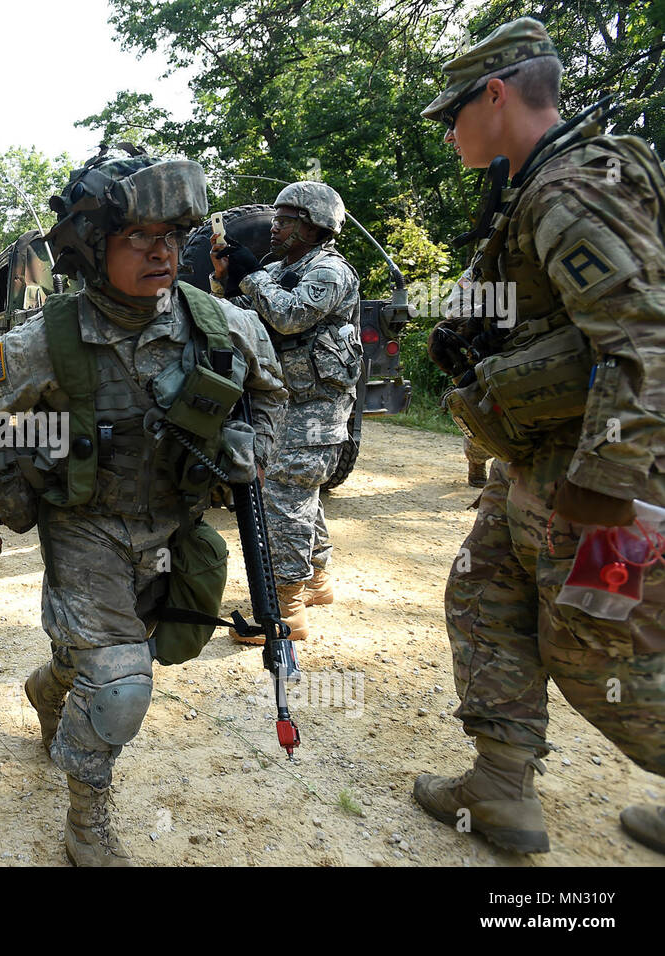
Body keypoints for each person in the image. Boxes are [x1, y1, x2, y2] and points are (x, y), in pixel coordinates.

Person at [0, 150, 286, 866]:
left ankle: (49, 688)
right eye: (139, 238)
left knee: (110, 657)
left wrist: (252, 445)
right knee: (123, 683)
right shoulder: (43, 343)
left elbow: (274, 397)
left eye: (173, 237)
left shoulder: (220, 327)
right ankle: (87, 819)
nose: (162, 252)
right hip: (85, 529)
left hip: (171, 528)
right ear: (92, 248)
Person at [416, 17, 665, 855]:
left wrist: (608, 485)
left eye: (455, 110)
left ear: (496, 94)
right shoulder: (534, 189)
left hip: (596, 479)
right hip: (536, 461)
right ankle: (499, 786)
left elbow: (643, 335)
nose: (449, 130)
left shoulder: (571, 190)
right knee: (483, 595)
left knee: (602, 654)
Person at [213, 180, 361, 642]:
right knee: (300, 493)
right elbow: (245, 311)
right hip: (287, 400)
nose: (274, 226)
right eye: (275, 218)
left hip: (315, 406)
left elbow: (290, 316)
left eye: (285, 219)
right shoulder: (279, 268)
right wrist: (224, 280)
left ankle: (285, 610)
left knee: (283, 496)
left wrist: (250, 275)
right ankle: (315, 582)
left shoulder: (331, 272)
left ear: (314, 225)